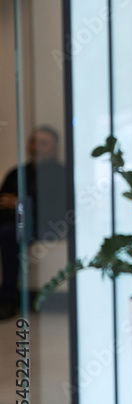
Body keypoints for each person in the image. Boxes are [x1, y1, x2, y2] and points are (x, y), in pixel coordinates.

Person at [0, 126, 66, 319]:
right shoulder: (17, 173)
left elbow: (56, 211)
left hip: (46, 226)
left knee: (9, 233)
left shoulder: (60, 174)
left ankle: (8, 298)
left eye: (43, 143)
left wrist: (20, 204)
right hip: (11, 223)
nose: (36, 147)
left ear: (54, 149)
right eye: (34, 141)